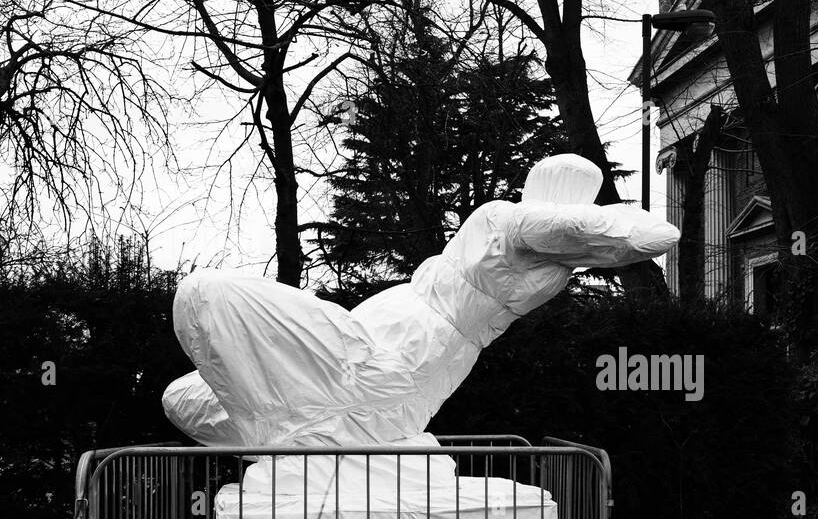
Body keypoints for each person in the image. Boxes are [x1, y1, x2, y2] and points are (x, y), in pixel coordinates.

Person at [163, 154, 679, 451]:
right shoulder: (516, 222)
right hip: (399, 334)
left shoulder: (537, 233)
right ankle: (289, 442)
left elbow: (656, 235)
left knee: (204, 293)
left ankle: (291, 443)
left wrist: (591, 229)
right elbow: (636, 234)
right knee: (184, 396)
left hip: (416, 351)